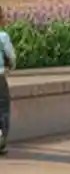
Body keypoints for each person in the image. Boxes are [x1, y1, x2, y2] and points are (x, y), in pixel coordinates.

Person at [0, 8, 14, 156]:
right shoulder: (2, 37)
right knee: (3, 108)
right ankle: (1, 140)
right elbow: (11, 55)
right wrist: (11, 66)